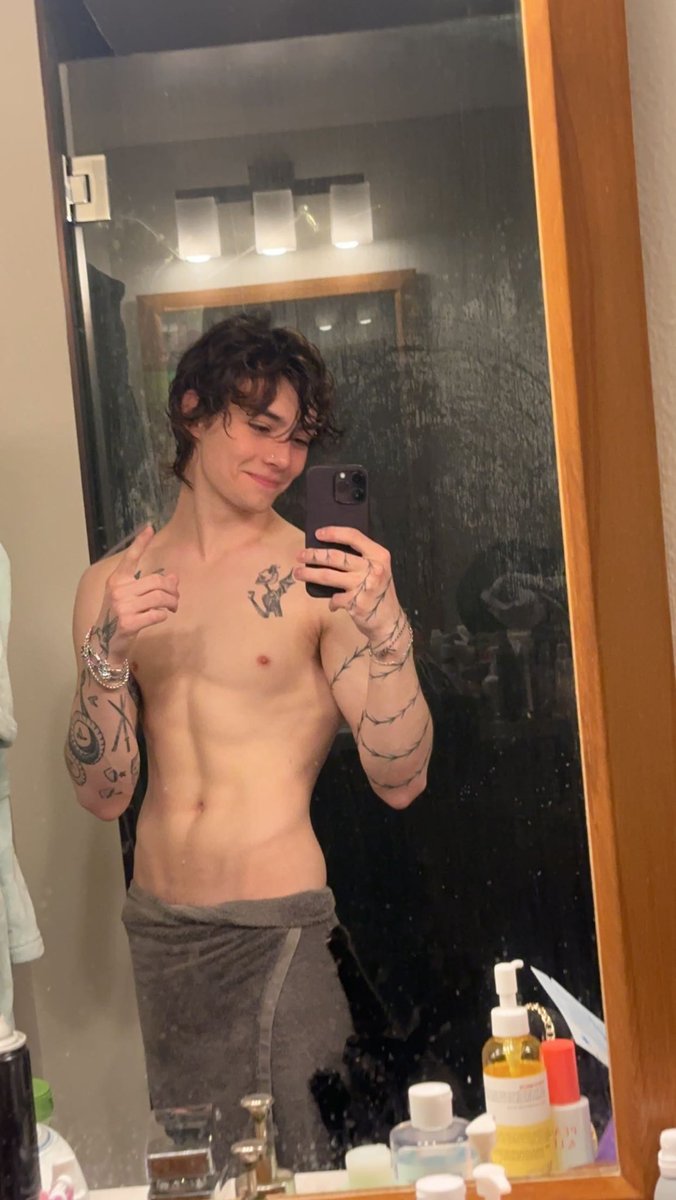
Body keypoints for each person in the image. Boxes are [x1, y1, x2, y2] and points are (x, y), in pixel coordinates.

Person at [64, 313, 432, 1170]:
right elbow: (102, 795)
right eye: (262, 426)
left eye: (298, 438)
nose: (283, 456)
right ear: (192, 409)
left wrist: (389, 634)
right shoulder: (112, 585)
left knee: (300, 1168)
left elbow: (402, 779)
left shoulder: (317, 580)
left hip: (279, 936)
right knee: (195, 1174)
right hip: (162, 935)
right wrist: (108, 655)